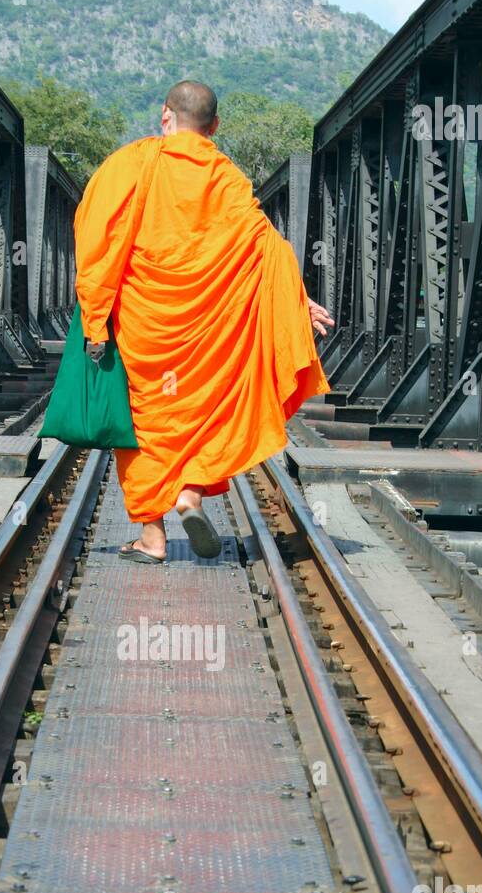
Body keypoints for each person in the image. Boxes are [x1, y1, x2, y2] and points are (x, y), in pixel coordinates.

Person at [73, 80, 333, 563]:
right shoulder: (226, 177)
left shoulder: (129, 165)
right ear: (214, 127)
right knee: (206, 415)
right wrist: (298, 302)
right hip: (206, 335)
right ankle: (190, 493)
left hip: (144, 328)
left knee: (142, 426)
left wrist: (95, 320)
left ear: (164, 115)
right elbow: (269, 248)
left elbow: (96, 242)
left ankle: (152, 540)